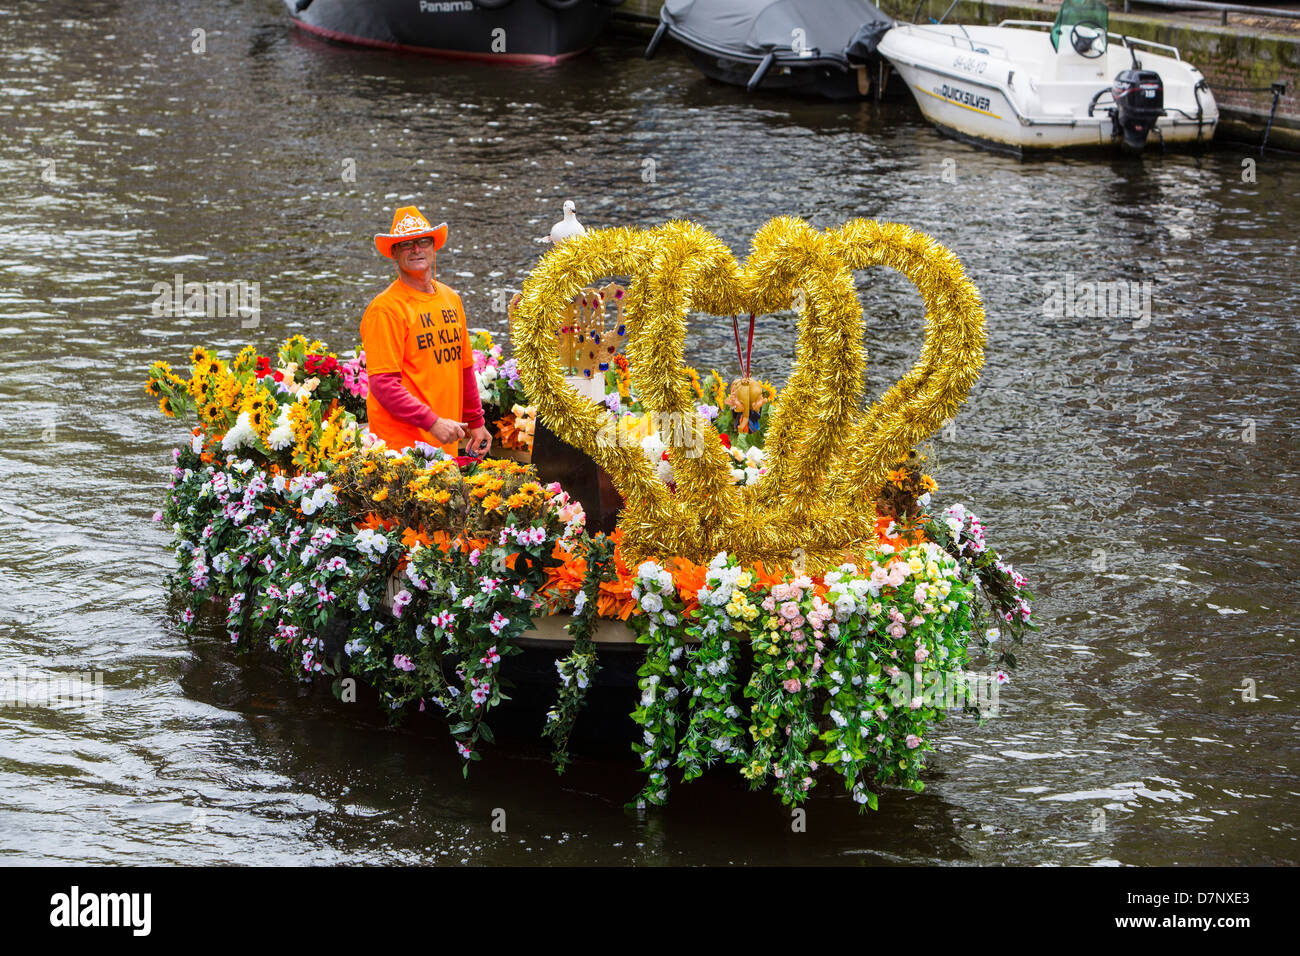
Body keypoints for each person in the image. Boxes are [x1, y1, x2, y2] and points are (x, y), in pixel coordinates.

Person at [360, 206, 492, 458]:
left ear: (433, 247)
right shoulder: (385, 309)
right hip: (400, 452)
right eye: (406, 244)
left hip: (445, 442)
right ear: (394, 254)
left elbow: (463, 368)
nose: (416, 249)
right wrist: (432, 422)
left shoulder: (451, 298)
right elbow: (384, 384)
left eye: (422, 241)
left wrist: (475, 422)